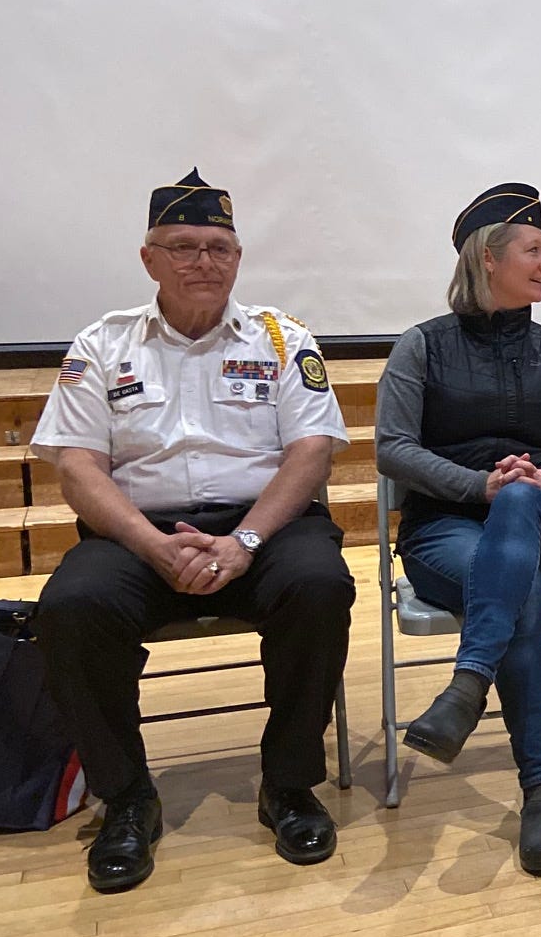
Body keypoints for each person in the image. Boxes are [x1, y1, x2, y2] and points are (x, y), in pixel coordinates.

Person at [32, 171, 355, 894]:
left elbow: (311, 452)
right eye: (183, 247)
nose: (204, 262)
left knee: (320, 585)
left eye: (219, 248)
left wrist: (244, 543)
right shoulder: (102, 343)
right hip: (136, 534)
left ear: (238, 258)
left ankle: (289, 784)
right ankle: (127, 798)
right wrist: (151, 544)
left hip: (263, 528)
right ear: (149, 258)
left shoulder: (282, 337)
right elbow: (77, 467)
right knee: (70, 608)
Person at [374, 183, 541, 876]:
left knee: (518, 507)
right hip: (444, 529)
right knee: (523, 593)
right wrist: (477, 485)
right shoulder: (422, 347)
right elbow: (392, 449)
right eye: (534, 250)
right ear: (488, 258)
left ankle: (467, 683)